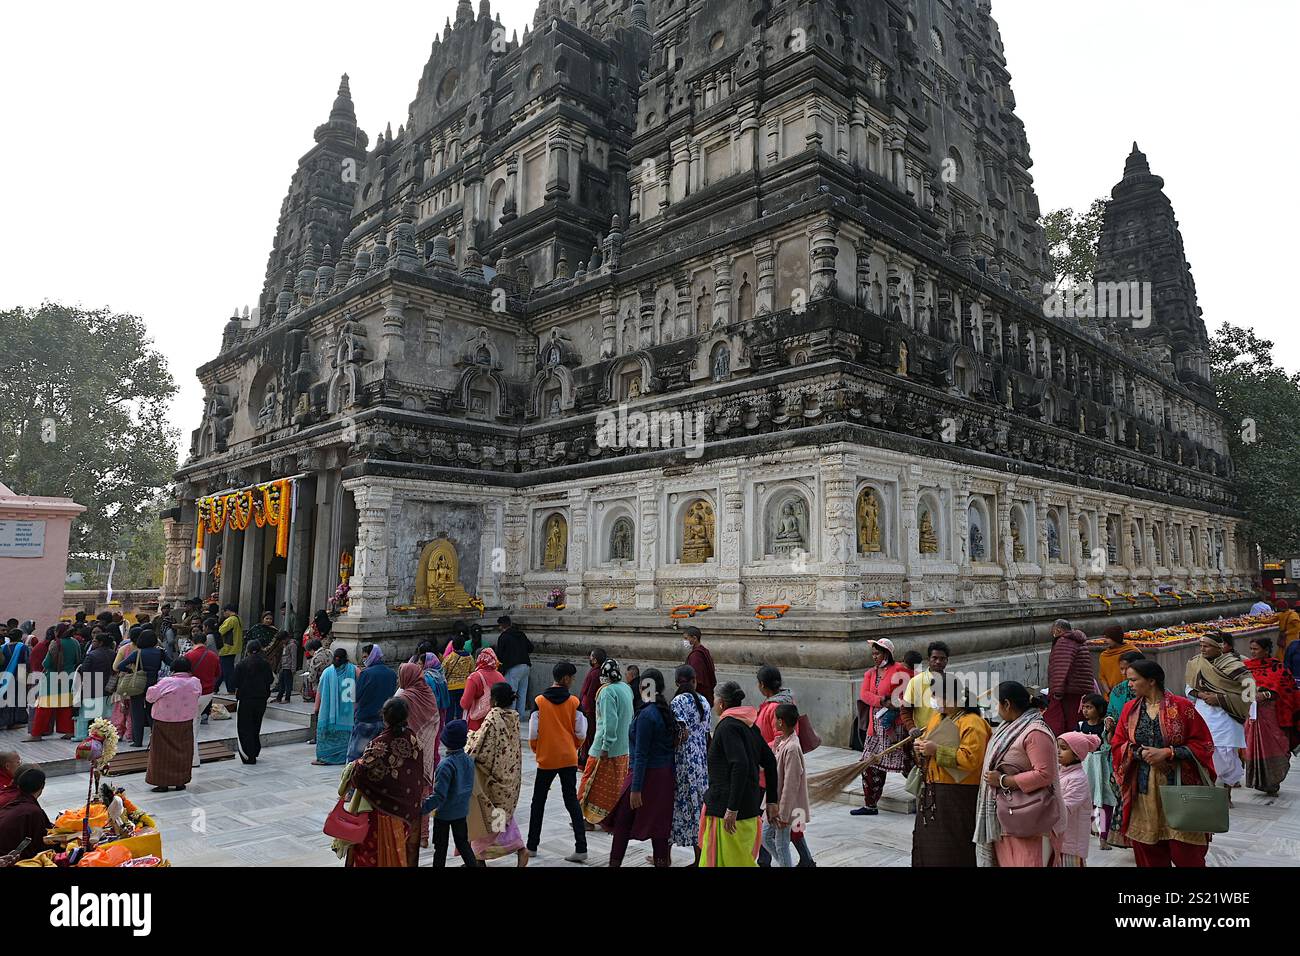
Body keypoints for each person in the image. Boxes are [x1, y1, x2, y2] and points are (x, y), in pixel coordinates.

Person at [1112, 659, 1216, 867]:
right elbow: (1118, 743)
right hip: (1143, 791)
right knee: (1149, 852)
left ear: (1151, 681)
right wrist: (1142, 754)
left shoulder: (1182, 707)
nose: (1129, 685)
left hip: (1179, 789)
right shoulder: (1129, 710)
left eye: (1133, 680)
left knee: (1186, 852)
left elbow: (1204, 744)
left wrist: (1169, 753)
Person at [974, 681, 1062, 867]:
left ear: (1007, 704)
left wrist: (1004, 780)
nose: (995, 709)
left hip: (1028, 817)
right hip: (1006, 816)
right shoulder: (1009, 727)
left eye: (997, 704)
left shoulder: (1035, 732)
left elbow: (1045, 775)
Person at [911, 673, 990, 867]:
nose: (934, 701)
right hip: (932, 791)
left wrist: (936, 750)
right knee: (927, 846)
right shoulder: (937, 718)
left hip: (957, 794)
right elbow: (927, 747)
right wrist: (920, 748)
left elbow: (971, 759)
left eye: (937, 695)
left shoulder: (972, 723)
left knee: (953, 848)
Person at [340, 697, 427, 868]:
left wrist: (355, 765)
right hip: (405, 812)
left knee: (372, 853)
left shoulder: (379, 744)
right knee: (398, 850)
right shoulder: (414, 740)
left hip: (379, 812)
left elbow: (360, 775)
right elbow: (415, 775)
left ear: (384, 717)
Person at [699, 681, 777, 867]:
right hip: (749, 806)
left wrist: (732, 809)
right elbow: (770, 761)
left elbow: (739, 764)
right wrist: (772, 799)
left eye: (715, 698)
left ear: (722, 704)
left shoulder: (727, 727)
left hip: (727, 812)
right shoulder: (750, 727)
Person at [604, 667, 676, 867]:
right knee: (659, 826)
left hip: (645, 775)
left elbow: (642, 754)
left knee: (622, 821)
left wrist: (636, 789)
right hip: (665, 776)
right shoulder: (665, 711)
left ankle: (614, 863)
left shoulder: (647, 715)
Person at [526, 661, 589, 863]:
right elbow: (581, 731)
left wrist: (539, 748)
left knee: (538, 802)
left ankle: (532, 846)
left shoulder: (539, 701)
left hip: (547, 758)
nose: (573, 681)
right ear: (565, 679)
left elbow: (533, 731)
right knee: (571, 801)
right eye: (572, 677)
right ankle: (581, 847)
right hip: (568, 757)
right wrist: (574, 746)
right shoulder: (574, 702)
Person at [755, 665, 815, 866]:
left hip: (773, 775)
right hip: (773, 773)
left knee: (779, 835)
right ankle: (797, 860)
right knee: (772, 832)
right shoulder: (780, 702)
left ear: (763, 685)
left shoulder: (775, 709)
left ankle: (777, 861)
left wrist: (759, 752)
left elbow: (790, 783)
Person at [465, 683, 529, 865]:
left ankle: (481, 857)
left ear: (493, 699)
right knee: (501, 818)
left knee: (484, 819)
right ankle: (519, 849)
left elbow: (480, 748)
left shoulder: (493, 717)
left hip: (491, 780)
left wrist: (469, 736)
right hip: (508, 780)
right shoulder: (514, 717)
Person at [853, 638, 913, 816]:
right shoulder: (870, 674)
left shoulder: (899, 671)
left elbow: (907, 694)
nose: (875, 657)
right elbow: (864, 694)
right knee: (869, 763)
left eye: (877, 653)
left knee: (907, 764)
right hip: (875, 728)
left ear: (887, 653)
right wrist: (880, 701)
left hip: (895, 727)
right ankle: (870, 804)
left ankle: (924, 797)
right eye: (873, 654)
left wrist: (894, 703)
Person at [1185, 632, 1249, 794]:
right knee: (1206, 751)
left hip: (1228, 714)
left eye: (1206, 646)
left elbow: (1248, 690)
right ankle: (1211, 791)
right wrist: (1201, 695)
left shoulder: (1235, 664)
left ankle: (1227, 793)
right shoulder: (1195, 664)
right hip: (1204, 713)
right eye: (1200, 646)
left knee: (1227, 754)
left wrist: (1220, 698)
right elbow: (1189, 688)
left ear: (1218, 647)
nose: (1202, 649)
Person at [578, 658, 635, 827]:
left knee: (589, 781)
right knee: (613, 787)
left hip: (604, 749)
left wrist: (605, 746)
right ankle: (608, 819)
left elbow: (610, 722)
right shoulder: (626, 688)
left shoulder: (606, 692)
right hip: (623, 747)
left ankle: (585, 819)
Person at [396, 661, 441, 863]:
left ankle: (407, 834)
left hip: (408, 754)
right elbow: (435, 720)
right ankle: (423, 836)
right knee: (424, 793)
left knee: (407, 795)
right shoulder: (427, 693)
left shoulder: (404, 697)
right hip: (427, 751)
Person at [1243, 636, 1296, 794]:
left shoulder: (1278, 668)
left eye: (1256, 649)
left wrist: (1266, 695)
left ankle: (1274, 779)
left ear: (1266, 650)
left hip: (1272, 715)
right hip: (1252, 716)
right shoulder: (1245, 668)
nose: (1252, 652)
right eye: (1251, 649)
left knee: (1277, 744)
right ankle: (1260, 781)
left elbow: (1288, 690)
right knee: (1253, 745)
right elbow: (1240, 690)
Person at [423, 719, 479, 867]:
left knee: (440, 848)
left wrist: (422, 807)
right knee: (463, 844)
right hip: (461, 811)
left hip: (443, 814)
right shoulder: (468, 760)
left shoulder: (445, 765)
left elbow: (439, 796)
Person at [762, 702, 811, 868]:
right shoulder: (784, 742)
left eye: (775, 719)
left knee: (782, 844)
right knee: (766, 837)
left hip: (785, 808)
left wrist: (783, 813)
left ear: (781, 721)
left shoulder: (792, 748)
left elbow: (791, 784)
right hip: (775, 803)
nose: (774, 722)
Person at [670, 664, 710, 865]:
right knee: (698, 809)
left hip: (683, 762)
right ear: (694, 680)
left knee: (674, 804)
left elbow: (681, 733)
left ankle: (664, 855)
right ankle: (699, 857)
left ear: (677, 682)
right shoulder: (704, 701)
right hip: (701, 763)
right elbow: (704, 732)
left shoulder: (677, 701)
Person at [143, 658, 202, 792]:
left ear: (173, 669)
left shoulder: (167, 682)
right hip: (186, 721)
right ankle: (180, 782)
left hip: (164, 722)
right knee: (184, 751)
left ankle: (162, 783)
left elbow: (150, 697)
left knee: (161, 753)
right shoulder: (195, 682)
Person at [116, 630, 172, 749]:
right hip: (153, 685)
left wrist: (132, 671)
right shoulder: (160, 652)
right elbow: (171, 663)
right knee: (152, 713)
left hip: (138, 685)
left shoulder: (137, 653)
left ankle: (138, 741)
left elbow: (120, 666)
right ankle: (156, 739)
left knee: (137, 713)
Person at [26, 624, 80, 741]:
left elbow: (46, 663)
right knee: (65, 706)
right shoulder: (75, 642)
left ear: (58, 631)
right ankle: (69, 731)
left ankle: (36, 734)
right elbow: (78, 659)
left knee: (44, 707)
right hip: (69, 676)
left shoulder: (55, 643)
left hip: (53, 678)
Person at [1053, 731, 1100, 867]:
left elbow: (1064, 809)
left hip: (1071, 844)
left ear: (1076, 753)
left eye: (1063, 748)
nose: (1058, 752)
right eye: (1057, 747)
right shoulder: (1060, 772)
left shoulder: (1078, 779)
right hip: (1061, 839)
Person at [1078, 694, 1118, 848]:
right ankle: (1086, 829)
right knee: (1087, 799)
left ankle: (1104, 837)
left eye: (1089, 707)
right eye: (1084, 707)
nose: (1085, 710)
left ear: (1100, 709)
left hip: (1103, 766)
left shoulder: (1105, 726)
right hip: (1086, 766)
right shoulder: (1081, 726)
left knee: (1105, 800)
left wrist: (1110, 730)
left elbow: (1111, 743)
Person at [1044, 619, 1095, 736]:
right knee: (1077, 720)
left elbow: (1061, 667)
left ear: (1058, 630)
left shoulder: (1063, 642)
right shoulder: (1079, 641)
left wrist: (1057, 691)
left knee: (1064, 724)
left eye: (1053, 631)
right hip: (1081, 688)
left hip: (1069, 689)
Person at [348, 646, 397, 762]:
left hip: (366, 720)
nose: (364, 660)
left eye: (365, 657)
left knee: (357, 757)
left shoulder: (366, 674)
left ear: (372, 656)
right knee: (379, 756)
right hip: (385, 721)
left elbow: (355, 696)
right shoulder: (392, 674)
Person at [313, 648, 357, 765]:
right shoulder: (354, 670)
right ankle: (344, 757)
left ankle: (325, 758)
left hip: (327, 713)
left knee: (327, 736)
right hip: (346, 714)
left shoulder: (327, 672)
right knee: (346, 736)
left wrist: (316, 708)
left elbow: (319, 691)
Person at [234, 639, 275, 764]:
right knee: (256, 725)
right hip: (261, 699)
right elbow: (270, 680)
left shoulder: (241, 664)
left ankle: (248, 754)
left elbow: (235, 682)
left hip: (246, 699)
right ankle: (255, 750)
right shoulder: (265, 664)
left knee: (245, 727)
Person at [183, 633, 221, 764]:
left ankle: (193, 759)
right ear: (205, 641)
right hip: (208, 693)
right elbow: (217, 674)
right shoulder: (214, 656)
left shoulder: (188, 656)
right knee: (196, 721)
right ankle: (193, 757)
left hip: (192, 693)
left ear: (192, 641)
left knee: (192, 724)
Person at [0, 766, 50, 862]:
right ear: (42, 786)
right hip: (7, 858)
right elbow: (40, 844)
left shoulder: (12, 802)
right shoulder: (33, 811)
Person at [900, 641, 950, 734]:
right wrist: (911, 727)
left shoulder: (952, 682)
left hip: (946, 737)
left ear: (947, 660)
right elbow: (905, 710)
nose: (938, 662)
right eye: (934, 658)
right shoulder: (916, 682)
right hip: (924, 738)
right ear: (928, 659)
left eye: (942, 658)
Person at [73, 632, 115, 740]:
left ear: (100, 643)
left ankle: (81, 735)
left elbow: (84, 670)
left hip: (92, 685)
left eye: (95, 641)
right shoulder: (113, 653)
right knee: (104, 714)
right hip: (108, 686)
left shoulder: (92, 655)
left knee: (85, 715)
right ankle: (103, 735)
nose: (92, 642)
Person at [494, 615, 533, 722]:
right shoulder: (521, 634)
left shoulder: (503, 637)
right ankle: (520, 715)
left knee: (511, 692)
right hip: (526, 665)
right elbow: (531, 647)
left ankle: (511, 716)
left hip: (513, 667)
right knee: (522, 692)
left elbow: (499, 655)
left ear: (501, 626)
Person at [460, 647, 505, 733]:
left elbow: (465, 704)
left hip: (477, 724)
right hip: (496, 722)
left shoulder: (474, 677)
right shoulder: (500, 676)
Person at [577, 647, 607, 766]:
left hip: (589, 709)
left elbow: (588, 693)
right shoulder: (600, 672)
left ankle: (585, 759)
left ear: (595, 660)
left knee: (588, 735)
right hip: (593, 708)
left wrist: (583, 707)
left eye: (591, 657)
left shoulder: (594, 673)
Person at [1097, 625, 1139, 699]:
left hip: (1131, 695)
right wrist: (1110, 694)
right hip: (1111, 697)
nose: (1105, 640)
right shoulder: (1104, 656)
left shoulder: (1132, 652)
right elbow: (1102, 678)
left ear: (1115, 638)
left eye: (1108, 638)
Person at [0, 630, 29, 731]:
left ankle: (4, 721)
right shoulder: (23, 647)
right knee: (17, 700)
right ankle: (16, 722)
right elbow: (26, 662)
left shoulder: (3, 647)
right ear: (20, 637)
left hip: (5, 676)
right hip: (18, 676)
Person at [441, 638, 475, 721]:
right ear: (463, 645)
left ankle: (449, 727)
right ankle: (461, 725)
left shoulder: (449, 658)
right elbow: (472, 671)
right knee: (461, 709)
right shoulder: (470, 657)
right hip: (464, 686)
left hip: (451, 687)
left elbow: (443, 672)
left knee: (450, 710)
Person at [682, 626, 716, 705]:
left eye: (686, 638)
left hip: (699, 695)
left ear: (694, 638)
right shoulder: (703, 651)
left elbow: (696, 678)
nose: (684, 641)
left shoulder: (696, 656)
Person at [217, 605, 243, 693]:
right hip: (233, 647)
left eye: (223, 612)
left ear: (227, 611)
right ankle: (215, 687)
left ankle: (230, 688)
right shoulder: (238, 619)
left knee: (227, 670)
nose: (223, 614)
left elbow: (220, 631)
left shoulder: (231, 620)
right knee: (224, 669)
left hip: (227, 648)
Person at [264, 630, 295, 704]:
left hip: (288, 667)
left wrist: (293, 669)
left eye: (283, 640)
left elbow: (294, 658)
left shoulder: (292, 645)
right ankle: (279, 698)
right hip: (283, 667)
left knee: (288, 684)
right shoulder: (285, 645)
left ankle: (287, 698)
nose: (282, 642)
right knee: (281, 683)